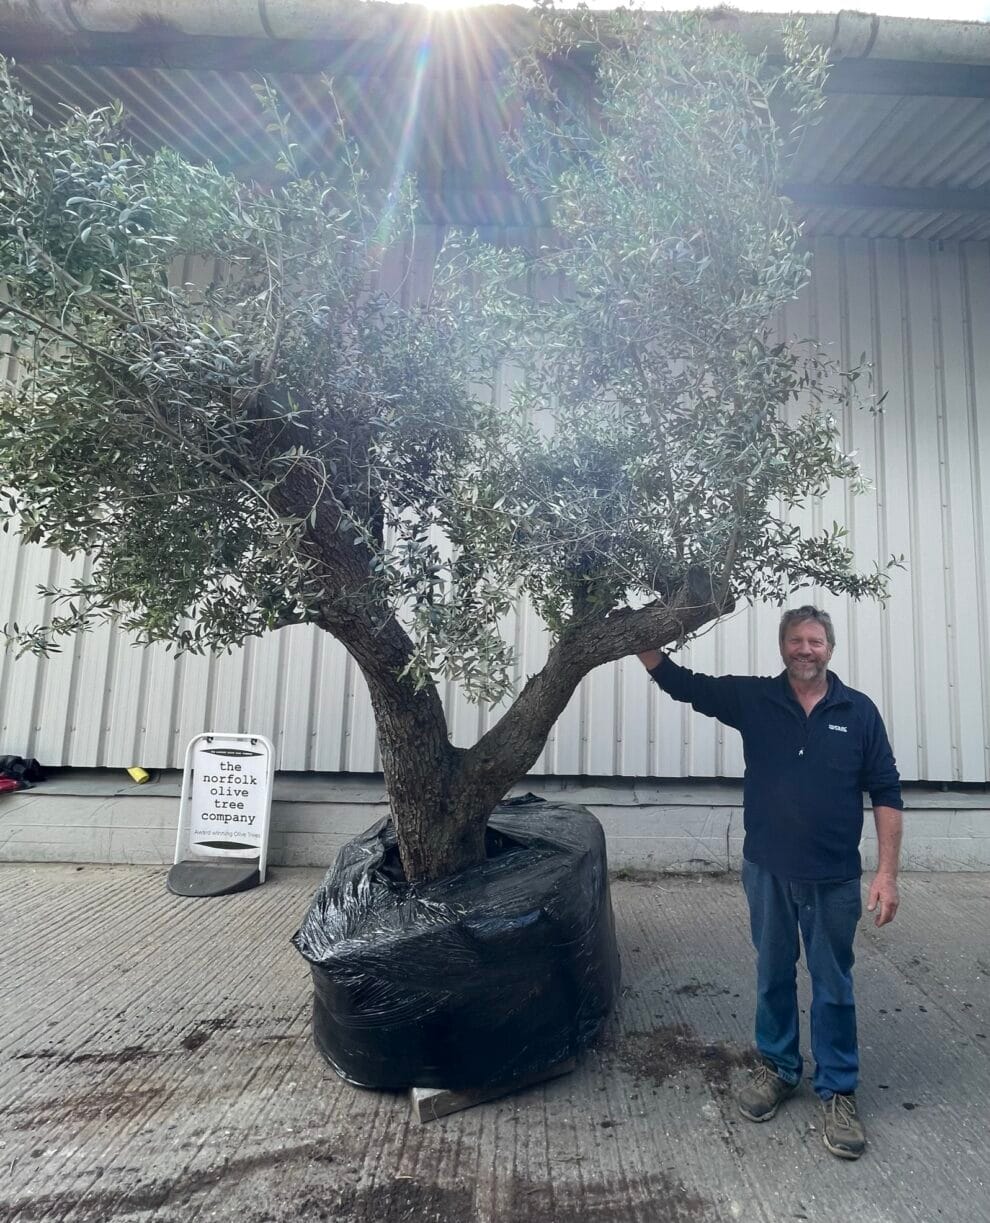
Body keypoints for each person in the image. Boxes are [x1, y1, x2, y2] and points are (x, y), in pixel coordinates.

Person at [638, 606, 902, 1161]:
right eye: (795, 640)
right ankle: (779, 1067)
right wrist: (640, 641)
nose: (805, 649)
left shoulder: (859, 712)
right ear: (782, 646)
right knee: (772, 973)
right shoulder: (755, 699)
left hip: (832, 877)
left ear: (830, 648)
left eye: (815, 641)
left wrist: (886, 873)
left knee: (833, 984)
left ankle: (838, 1090)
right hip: (767, 870)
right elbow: (686, 685)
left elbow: (886, 792)